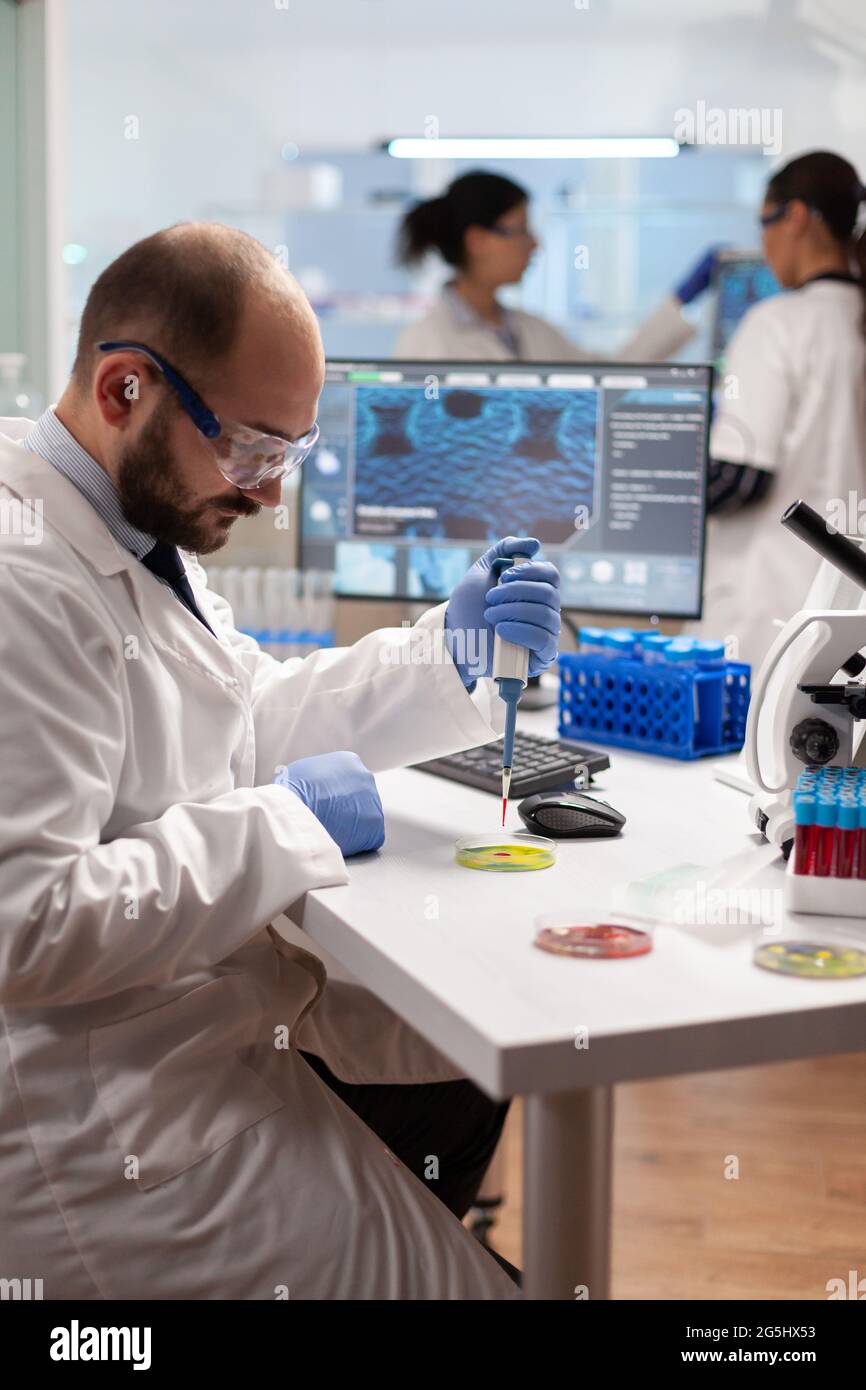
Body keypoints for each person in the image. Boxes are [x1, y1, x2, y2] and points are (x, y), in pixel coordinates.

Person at [0, 223, 562, 1299]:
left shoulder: (125, 527)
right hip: (106, 1137)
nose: (267, 494)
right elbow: (27, 923)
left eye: (289, 459)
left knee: (460, 1051)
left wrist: (442, 652)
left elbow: (240, 714)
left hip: (191, 1041)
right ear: (124, 388)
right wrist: (284, 820)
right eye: (254, 451)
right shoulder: (21, 579)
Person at [692, 150, 866, 667]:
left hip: (769, 609)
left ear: (795, 216)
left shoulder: (777, 322)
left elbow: (739, 477)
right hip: (846, 607)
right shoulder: (857, 317)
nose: (763, 245)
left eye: (763, 224)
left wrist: (655, 492)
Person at [393, 169, 715, 362]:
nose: (535, 244)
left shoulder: (529, 330)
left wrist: (682, 299)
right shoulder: (425, 343)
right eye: (521, 231)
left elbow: (613, 375)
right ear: (478, 240)